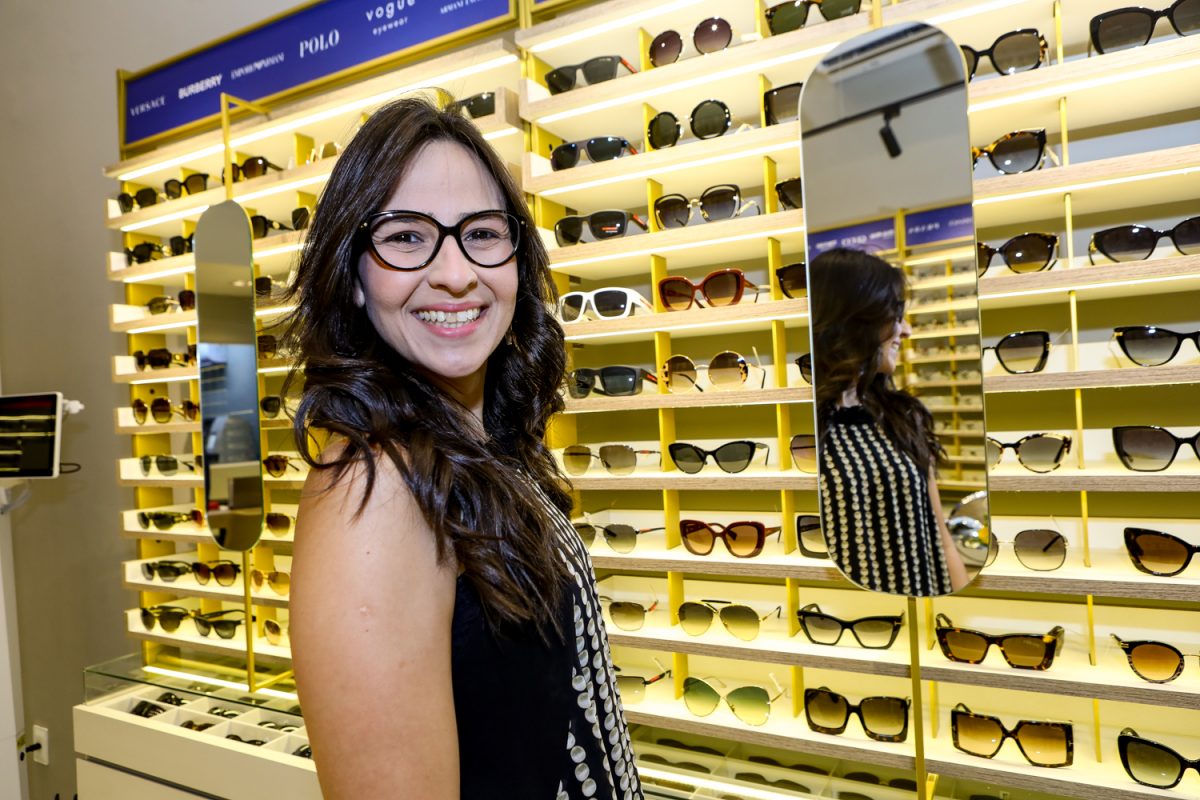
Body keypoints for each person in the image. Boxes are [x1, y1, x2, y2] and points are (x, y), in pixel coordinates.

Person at [279, 96, 642, 799]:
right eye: (408, 237)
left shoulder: (481, 443)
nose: (455, 273)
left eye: (481, 233)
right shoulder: (374, 487)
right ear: (353, 275)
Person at [808, 248, 971, 596]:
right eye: (895, 316)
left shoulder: (901, 415)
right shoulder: (806, 426)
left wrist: (965, 609)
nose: (907, 331)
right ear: (856, 320)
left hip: (923, 606)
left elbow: (940, 539)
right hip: (844, 622)